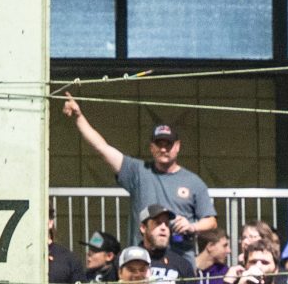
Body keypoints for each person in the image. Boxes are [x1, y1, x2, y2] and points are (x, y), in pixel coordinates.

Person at [67, 100, 217, 254]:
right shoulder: (138, 171)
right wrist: (79, 117)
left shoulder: (193, 181)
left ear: (177, 146)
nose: (164, 149)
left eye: (169, 144)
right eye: (159, 144)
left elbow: (211, 222)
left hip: (180, 262)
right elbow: (102, 148)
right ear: (152, 147)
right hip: (141, 261)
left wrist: (192, 226)